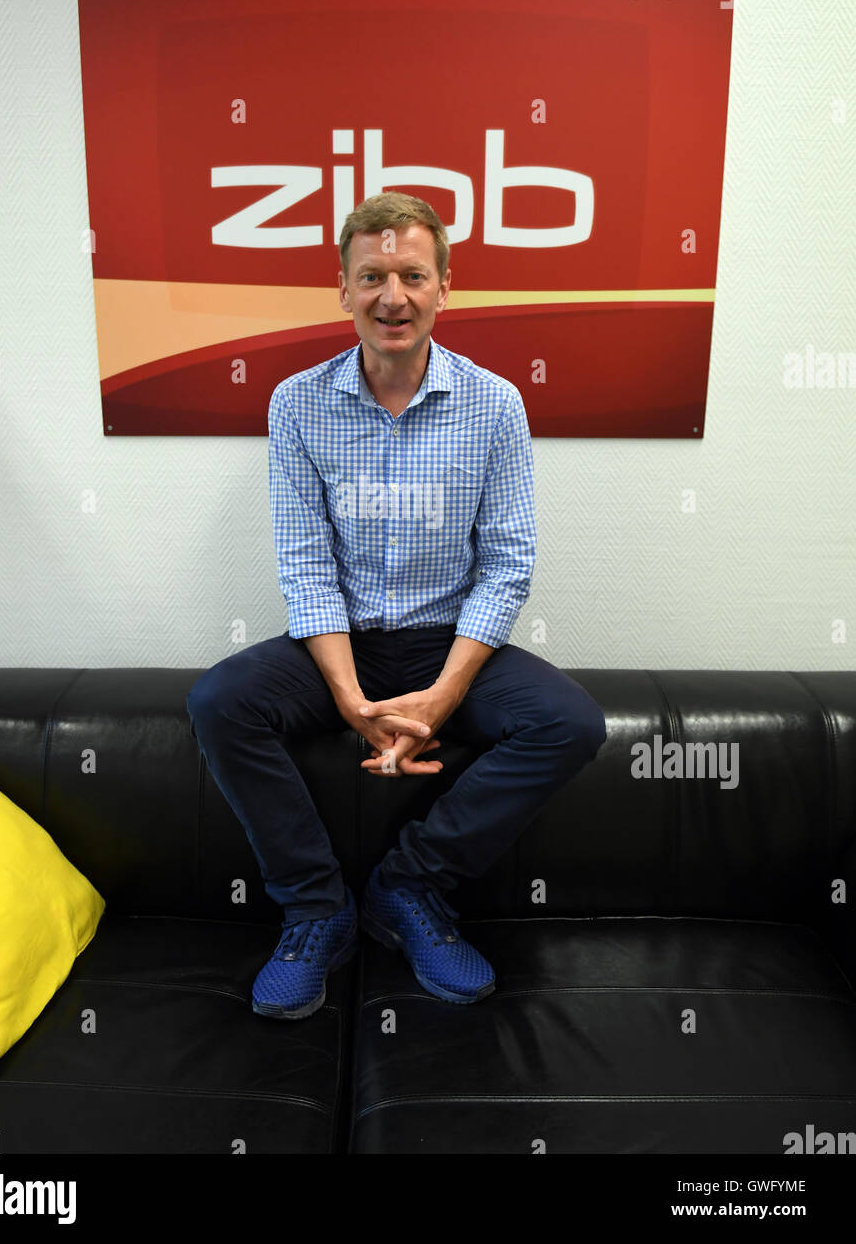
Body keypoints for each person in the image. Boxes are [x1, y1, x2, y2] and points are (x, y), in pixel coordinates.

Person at [186, 190, 606, 1020]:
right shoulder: (297, 403)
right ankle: (315, 910)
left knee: (571, 723)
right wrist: (349, 700)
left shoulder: (494, 404)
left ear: (444, 287)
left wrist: (443, 696)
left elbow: (507, 567)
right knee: (219, 702)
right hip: (340, 647)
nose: (393, 296)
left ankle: (408, 887)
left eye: (413, 274)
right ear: (342, 290)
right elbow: (305, 566)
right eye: (371, 275)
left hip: (448, 646)